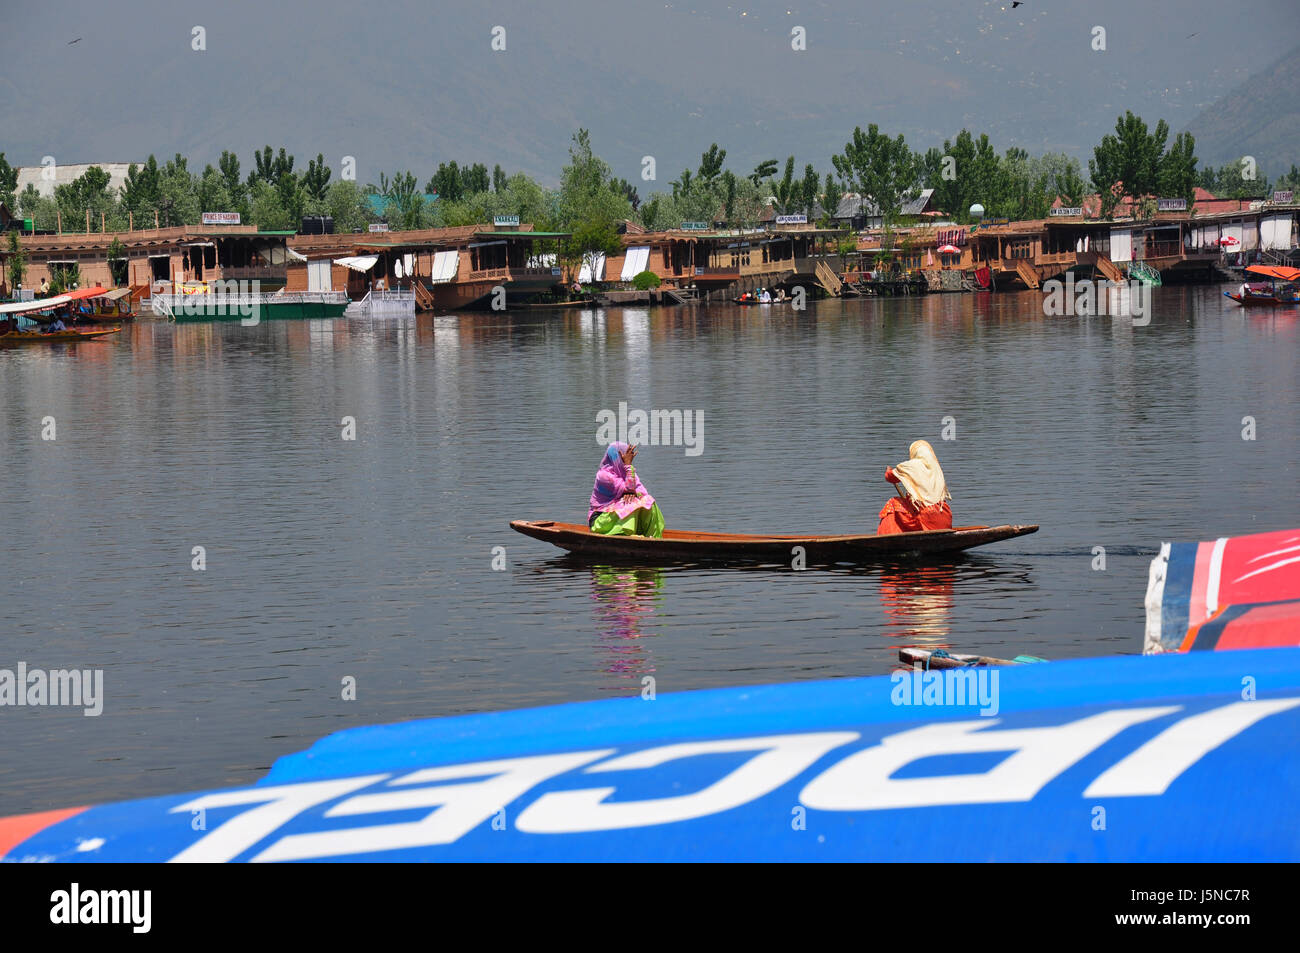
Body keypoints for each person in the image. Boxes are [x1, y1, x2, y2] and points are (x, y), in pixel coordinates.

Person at [588, 442, 665, 538]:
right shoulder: (604, 475)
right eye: (623, 457)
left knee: (648, 501)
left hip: (615, 516)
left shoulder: (628, 473)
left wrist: (634, 493)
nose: (626, 460)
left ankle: (653, 537)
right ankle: (625, 535)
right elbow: (629, 488)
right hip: (600, 521)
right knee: (630, 503)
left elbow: (643, 493)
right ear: (615, 457)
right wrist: (628, 466)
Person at [877, 439, 953, 535]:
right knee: (911, 504)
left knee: (892, 503)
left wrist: (889, 471)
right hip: (944, 515)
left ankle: (889, 536)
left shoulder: (912, 465)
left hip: (926, 517)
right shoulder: (936, 468)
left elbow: (890, 478)